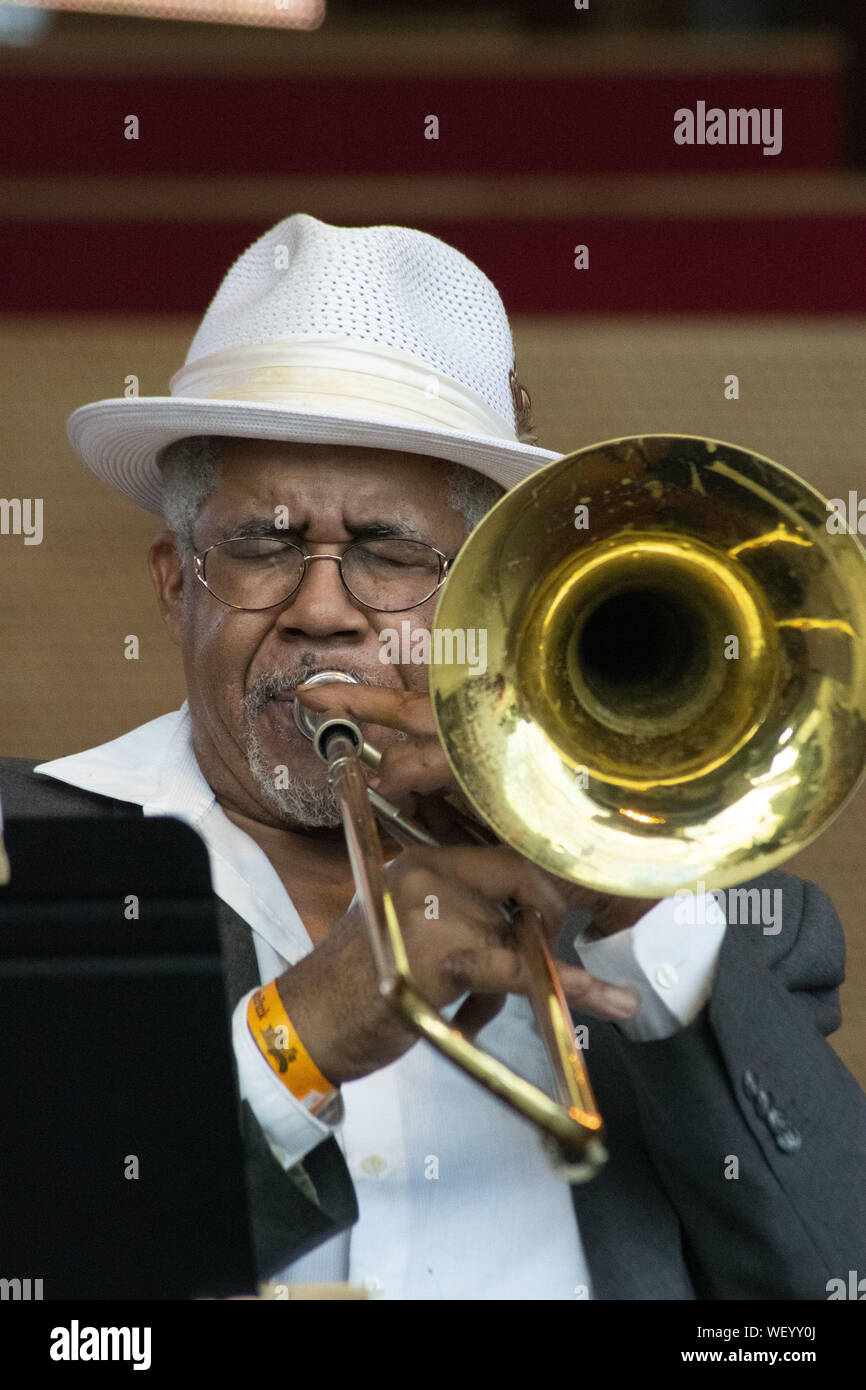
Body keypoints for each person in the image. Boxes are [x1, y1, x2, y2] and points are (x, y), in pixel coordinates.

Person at [2, 214, 864, 1300]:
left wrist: (633, 913)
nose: (321, 608)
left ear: (489, 595)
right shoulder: (20, 860)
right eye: (260, 546)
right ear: (175, 584)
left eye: (389, 552)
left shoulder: (735, 927)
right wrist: (298, 1035)